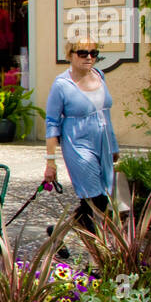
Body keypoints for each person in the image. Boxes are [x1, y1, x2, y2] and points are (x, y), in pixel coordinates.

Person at [44, 40, 120, 229]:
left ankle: (58, 232)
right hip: (77, 145)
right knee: (95, 197)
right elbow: (52, 123)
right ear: (70, 55)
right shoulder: (62, 85)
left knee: (101, 195)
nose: (89, 57)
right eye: (83, 53)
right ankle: (98, 243)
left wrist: (113, 146)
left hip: (103, 144)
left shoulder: (99, 75)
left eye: (94, 53)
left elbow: (105, 114)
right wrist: (50, 162)